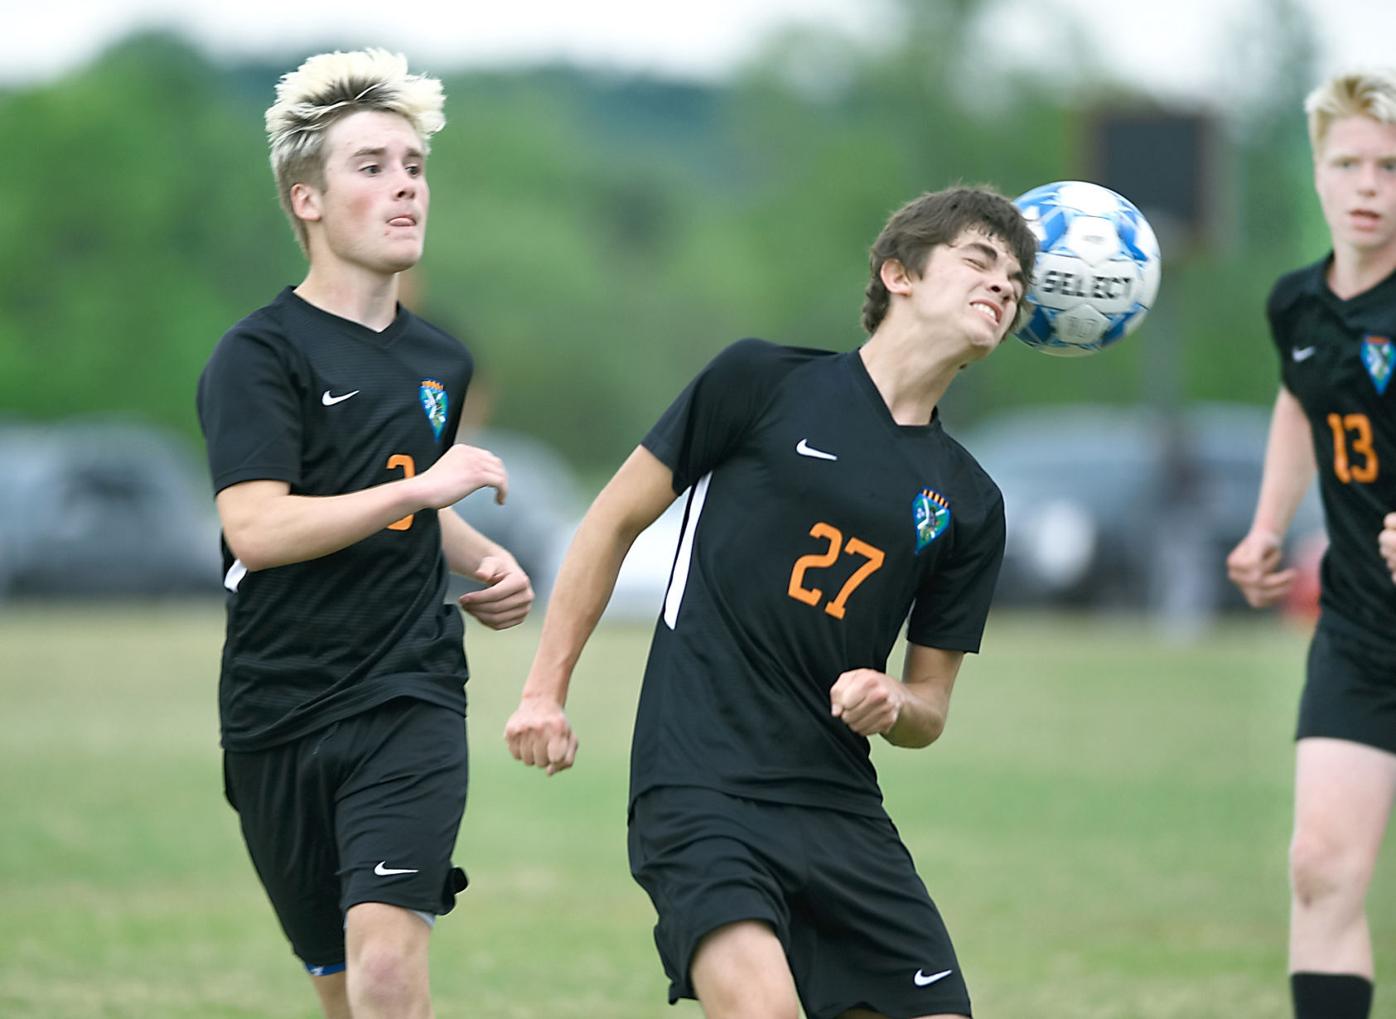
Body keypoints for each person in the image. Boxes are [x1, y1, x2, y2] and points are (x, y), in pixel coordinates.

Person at [505, 186, 1035, 1019]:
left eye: (1015, 281)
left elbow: (930, 708)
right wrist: (544, 690)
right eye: (979, 261)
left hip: (839, 806)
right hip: (700, 782)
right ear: (899, 273)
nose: (1002, 285)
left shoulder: (970, 501)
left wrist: (895, 699)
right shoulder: (760, 381)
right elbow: (610, 522)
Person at [196, 49, 533, 1019]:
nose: (405, 187)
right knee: (344, 994)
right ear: (307, 200)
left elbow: (397, 498)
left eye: (415, 167)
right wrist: (424, 489)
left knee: (387, 971)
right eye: (373, 167)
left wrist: (481, 555)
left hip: (407, 692)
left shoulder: (440, 361)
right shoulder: (258, 354)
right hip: (277, 709)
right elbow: (257, 527)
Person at [1226, 69, 1396, 1019]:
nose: (1369, 184)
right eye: (1348, 163)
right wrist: (1266, 525)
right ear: (1319, 172)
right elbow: (1303, 401)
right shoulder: (1296, 303)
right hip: (1363, 629)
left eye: (1391, 167)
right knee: (1321, 866)